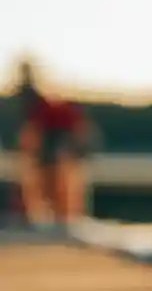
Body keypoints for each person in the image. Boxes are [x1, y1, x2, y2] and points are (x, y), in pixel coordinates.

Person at [14, 62, 94, 227]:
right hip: (50, 147)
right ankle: (54, 219)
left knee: (60, 184)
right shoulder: (38, 107)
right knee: (47, 183)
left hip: (56, 146)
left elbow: (78, 132)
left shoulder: (54, 111)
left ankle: (64, 219)